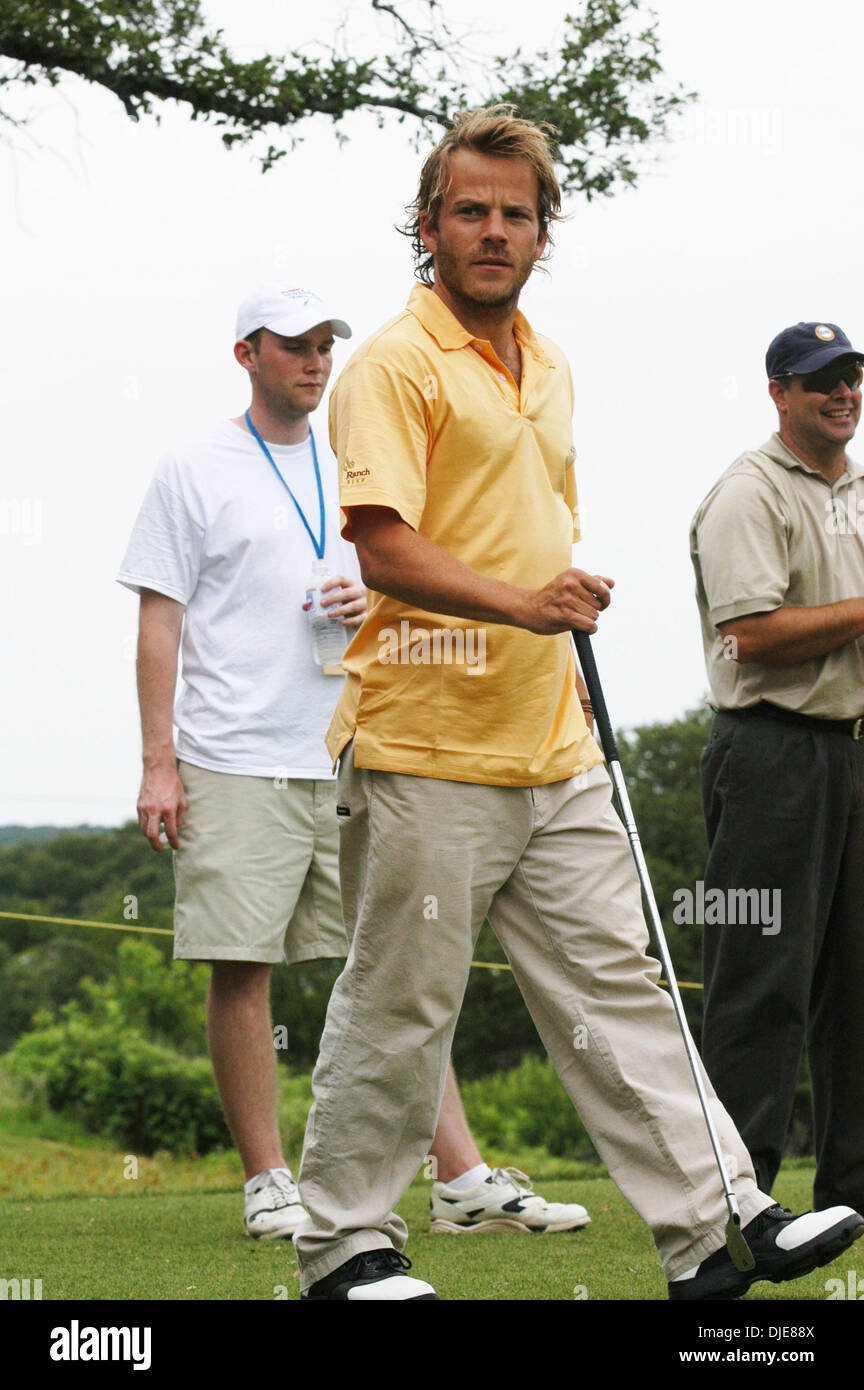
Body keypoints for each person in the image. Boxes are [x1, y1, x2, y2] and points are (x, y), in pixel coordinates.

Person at [292, 109, 864, 1302]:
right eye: (470, 211)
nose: (493, 231)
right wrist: (524, 599)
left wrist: (554, 614)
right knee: (404, 995)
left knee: (622, 988)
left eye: (516, 213)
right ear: (428, 224)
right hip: (426, 739)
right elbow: (386, 547)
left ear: (545, 231)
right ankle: (346, 1245)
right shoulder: (394, 363)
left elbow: (538, 526)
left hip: (552, 738)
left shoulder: (548, 363)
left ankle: (719, 1224)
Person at [116, 283, 588, 1242]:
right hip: (233, 752)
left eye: (325, 342)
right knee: (243, 966)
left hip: (363, 739)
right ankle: (269, 1181)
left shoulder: (364, 452)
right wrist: (157, 762)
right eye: (292, 345)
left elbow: (416, 570)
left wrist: (367, 600)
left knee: (401, 965)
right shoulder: (192, 467)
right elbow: (157, 622)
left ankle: (458, 1178)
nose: (316, 361)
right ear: (245, 353)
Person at [690, 320, 864, 1216]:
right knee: (762, 981)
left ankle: (853, 1190)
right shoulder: (747, 493)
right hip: (768, 753)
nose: (843, 393)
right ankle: (738, 1198)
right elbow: (749, 636)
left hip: (852, 748)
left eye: (851, 377)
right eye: (821, 380)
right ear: (780, 393)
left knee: (856, 984)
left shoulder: (862, 488)